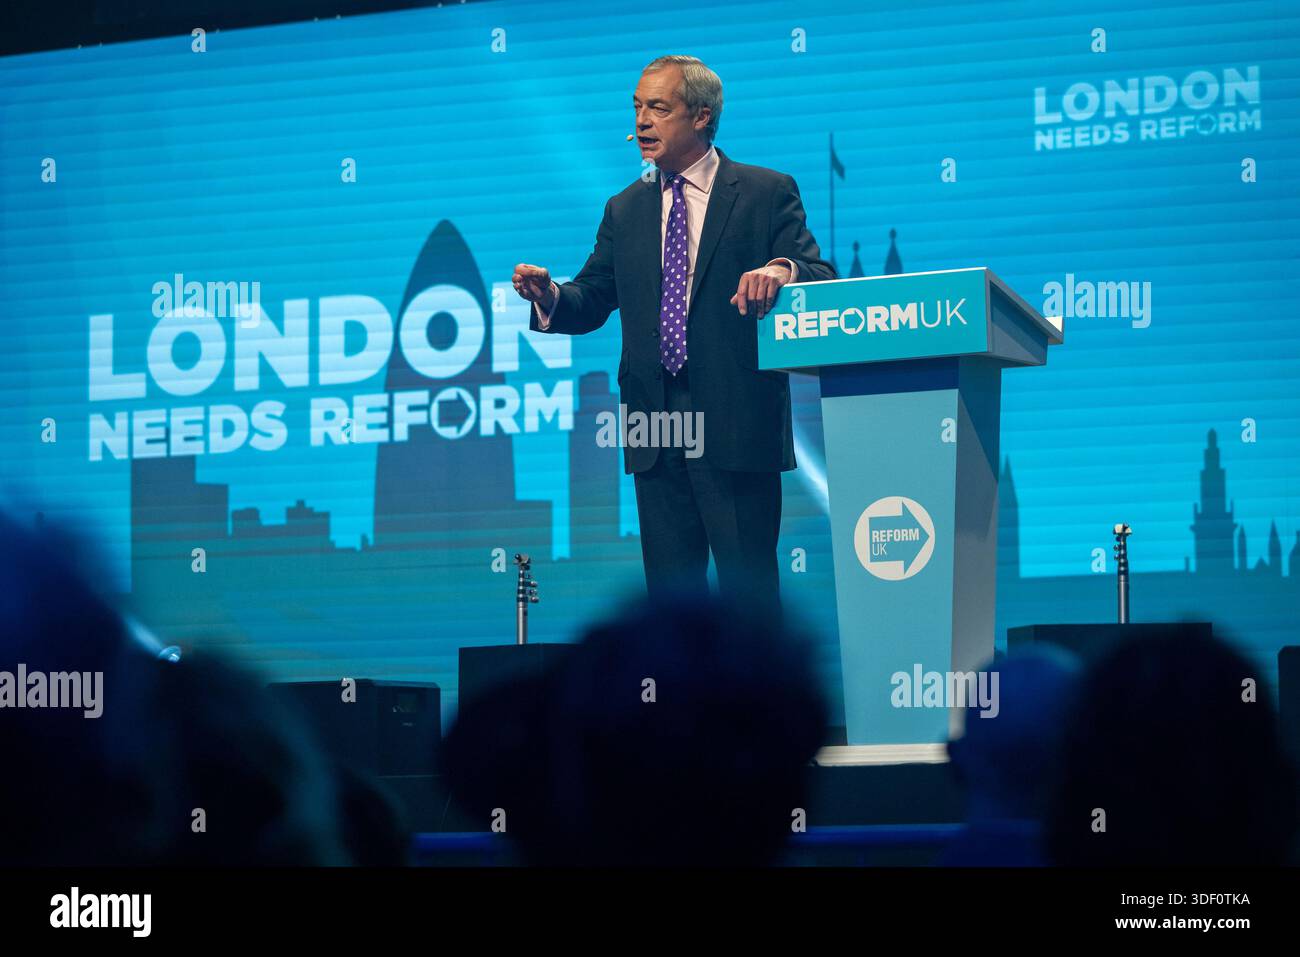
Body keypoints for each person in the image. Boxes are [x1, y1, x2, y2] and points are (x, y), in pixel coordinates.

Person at [513, 55, 836, 615]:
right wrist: (550, 297)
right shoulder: (626, 208)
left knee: (747, 601)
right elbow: (592, 296)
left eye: (658, 108)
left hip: (736, 421)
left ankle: (758, 704)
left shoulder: (763, 191)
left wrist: (781, 271)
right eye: (637, 107)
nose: (641, 121)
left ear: (703, 116)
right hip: (654, 425)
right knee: (670, 610)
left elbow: (819, 274)